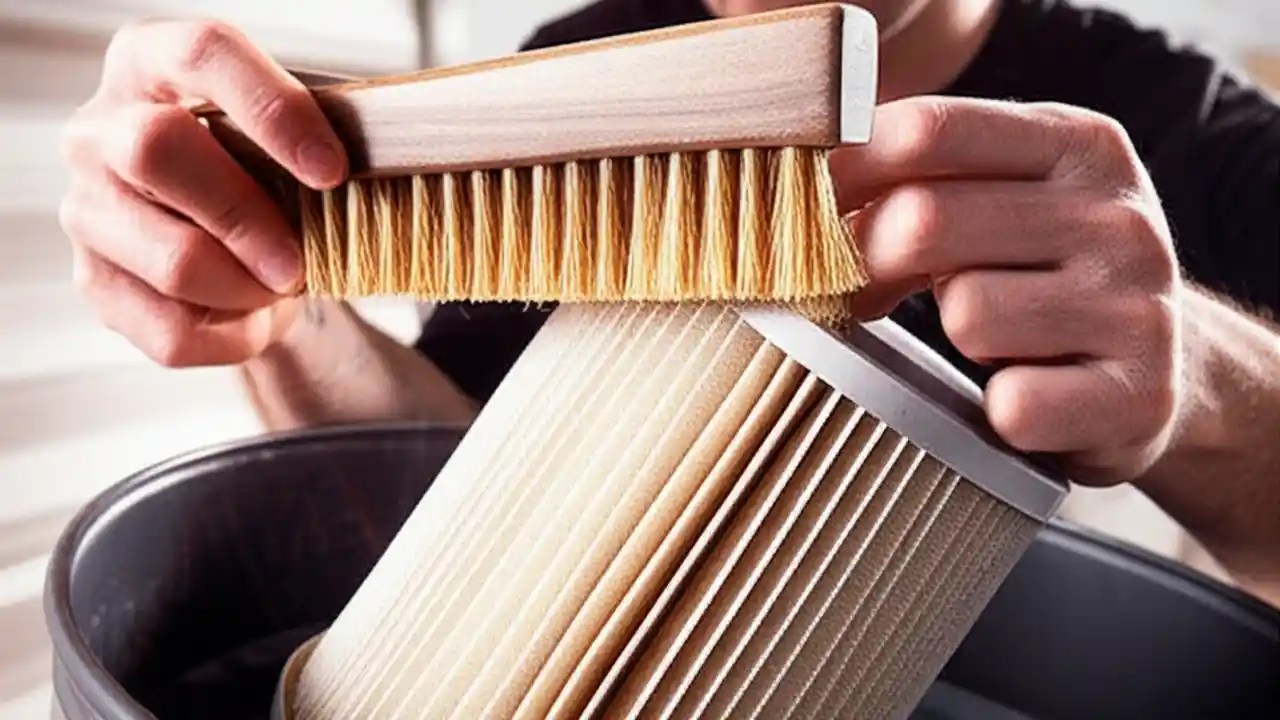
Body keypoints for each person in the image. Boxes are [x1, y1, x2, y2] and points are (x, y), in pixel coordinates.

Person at [58, 0, 1278, 604]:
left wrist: (1203, 382)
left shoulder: (1194, 128)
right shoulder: (581, 66)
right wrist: (273, 289)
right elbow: (449, 473)